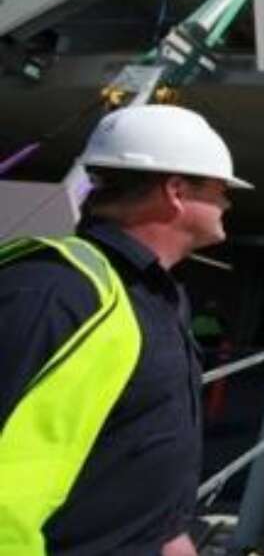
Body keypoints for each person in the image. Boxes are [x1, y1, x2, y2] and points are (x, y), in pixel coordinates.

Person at [0, 104, 250, 556]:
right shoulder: (54, 293)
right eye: (220, 189)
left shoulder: (159, 295)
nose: (227, 203)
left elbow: (137, 436)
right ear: (176, 191)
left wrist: (170, 535)